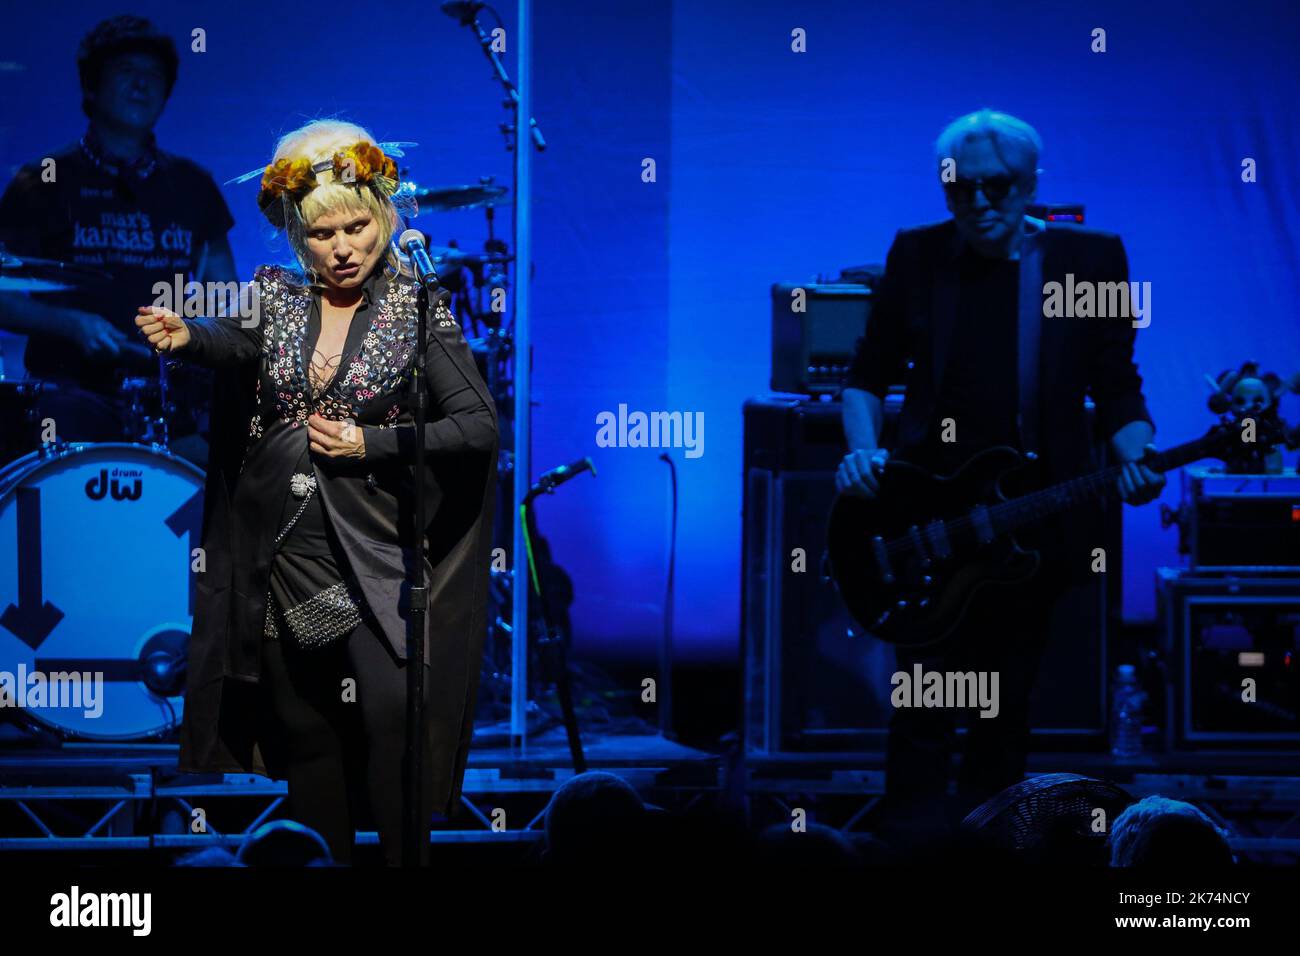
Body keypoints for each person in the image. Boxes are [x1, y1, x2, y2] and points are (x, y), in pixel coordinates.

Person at [135, 120, 498, 866]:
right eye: (322, 234)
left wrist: (374, 443)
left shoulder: (417, 311)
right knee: (309, 737)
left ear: (386, 214)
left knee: (395, 724)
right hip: (285, 557)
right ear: (296, 239)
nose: (343, 248)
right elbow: (231, 344)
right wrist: (186, 337)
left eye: (357, 226)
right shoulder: (276, 302)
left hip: (374, 559)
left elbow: (477, 426)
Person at [836, 109, 1165, 851]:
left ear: (1030, 184)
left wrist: (1136, 453)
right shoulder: (918, 257)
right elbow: (867, 377)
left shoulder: (1090, 260)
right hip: (927, 514)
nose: (979, 203)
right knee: (921, 705)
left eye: (997, 187)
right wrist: (861, 451)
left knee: (1004, 705)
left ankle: (990, 852)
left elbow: (1116, 382)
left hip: (1033, 520)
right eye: (961, 188)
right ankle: (910, 849)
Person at [0, 14, 237, 457]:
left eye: (154, 76)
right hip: (69, 393)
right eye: (127, 72)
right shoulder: (43, 180)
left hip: (172, 396)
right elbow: (2, 293)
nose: (142, 85)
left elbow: (223, 293)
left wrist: (199, 334)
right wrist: (71, 324)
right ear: (90, 87)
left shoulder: (193, 184)